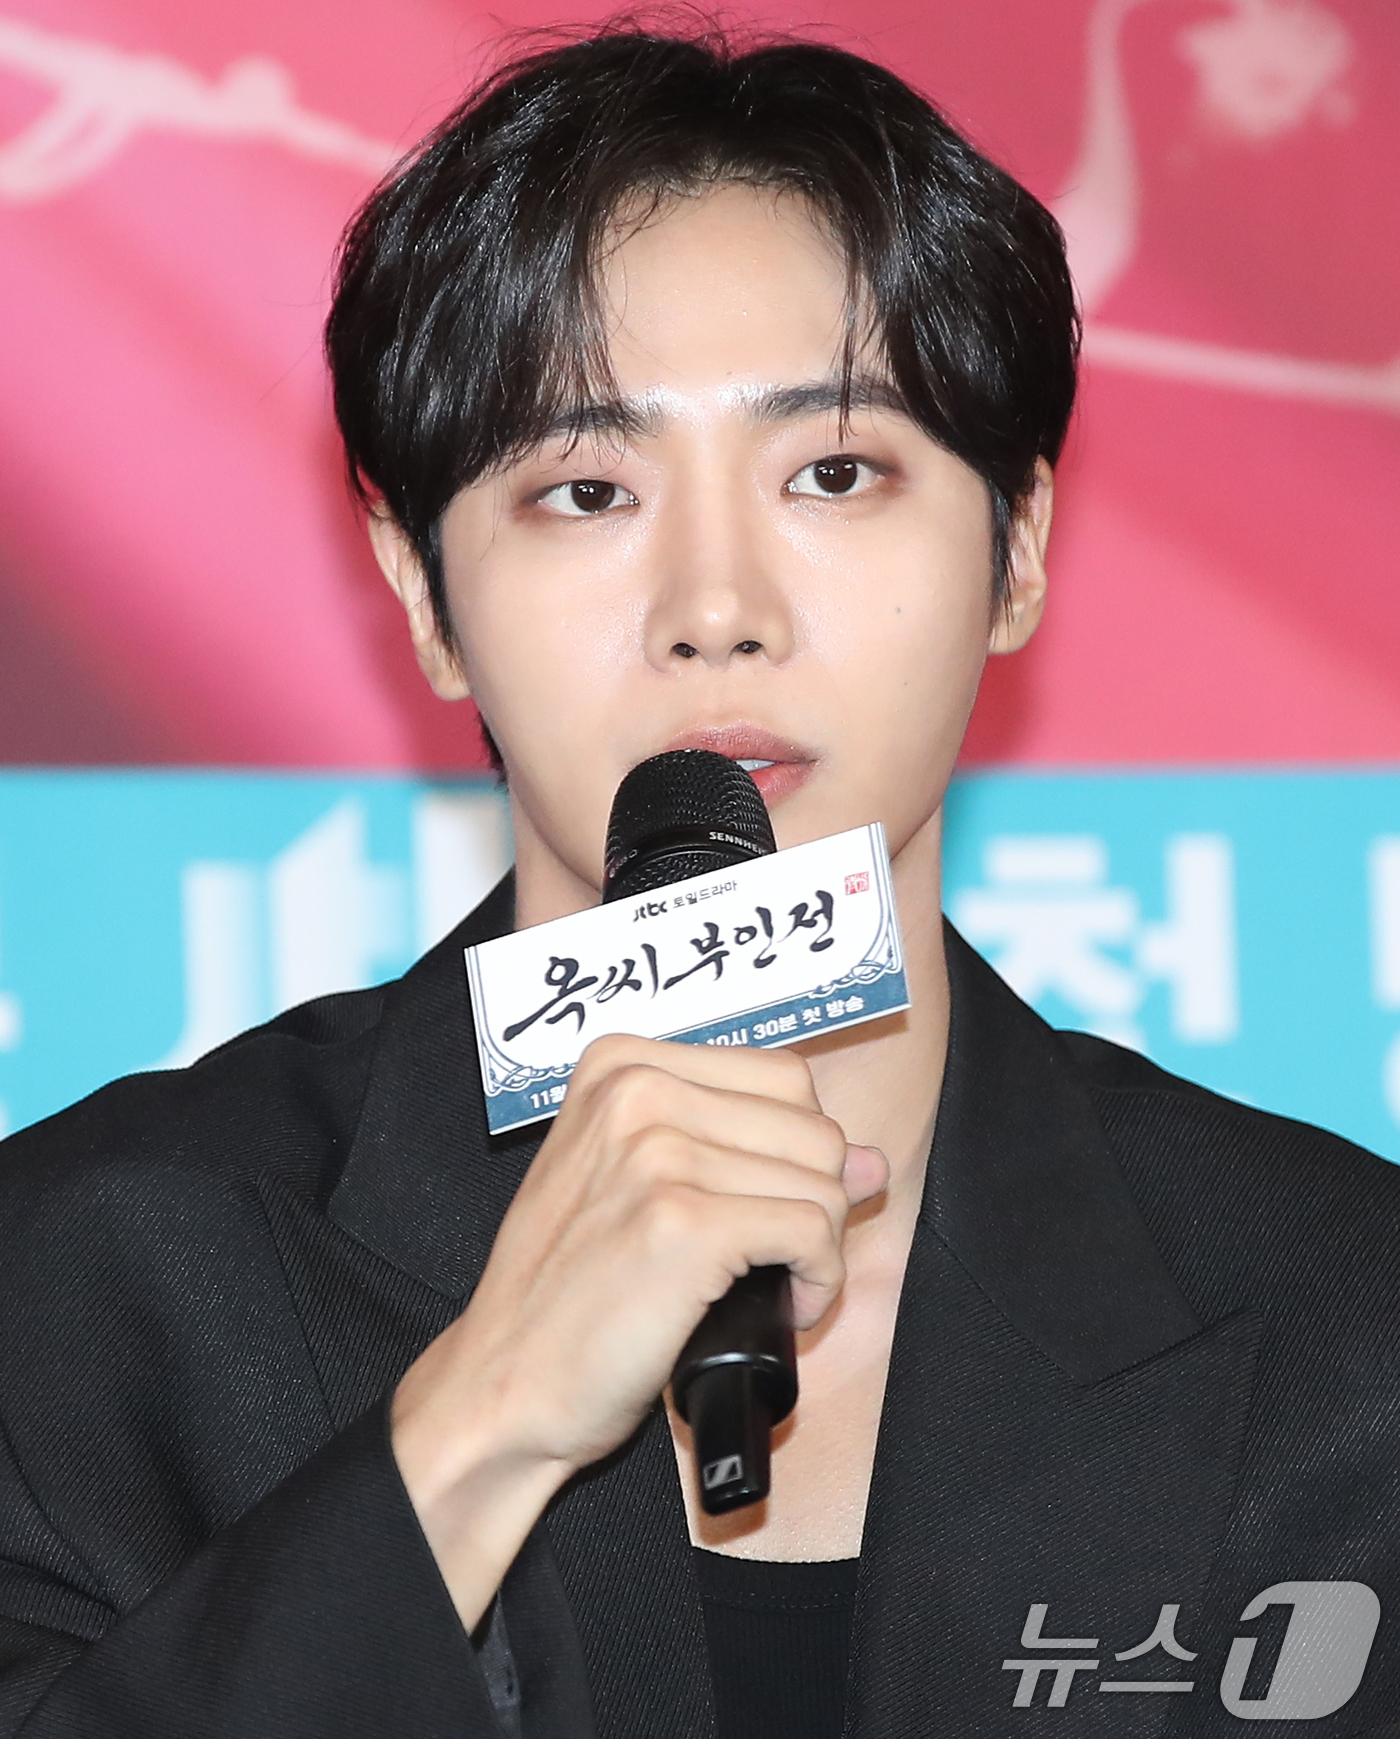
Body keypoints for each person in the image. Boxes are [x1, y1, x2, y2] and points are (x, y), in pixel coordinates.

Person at [1, 21, 1398, 1739]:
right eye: (587, 491)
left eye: (835, 473)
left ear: (1018, 547)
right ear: (426, 593)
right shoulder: (86, 1291)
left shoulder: (1348, 1323)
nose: (716, 608)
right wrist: (484, 1418)